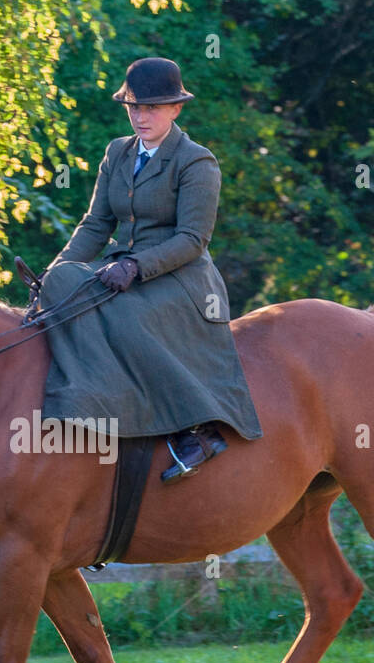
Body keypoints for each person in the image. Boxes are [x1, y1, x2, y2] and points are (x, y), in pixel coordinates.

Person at [37, 57, 262, 481]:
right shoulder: (116, 152)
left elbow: (193, 240)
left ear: (175, 109)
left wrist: (137, 267)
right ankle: (87, 399)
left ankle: (195, 430)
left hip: (181, 278)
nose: (141, 117)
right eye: (134, 107)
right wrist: (54, 273)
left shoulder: (197, 162)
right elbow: (96, 225)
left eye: (152, 108)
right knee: (64, 283)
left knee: (121, 316)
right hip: (122, 269)